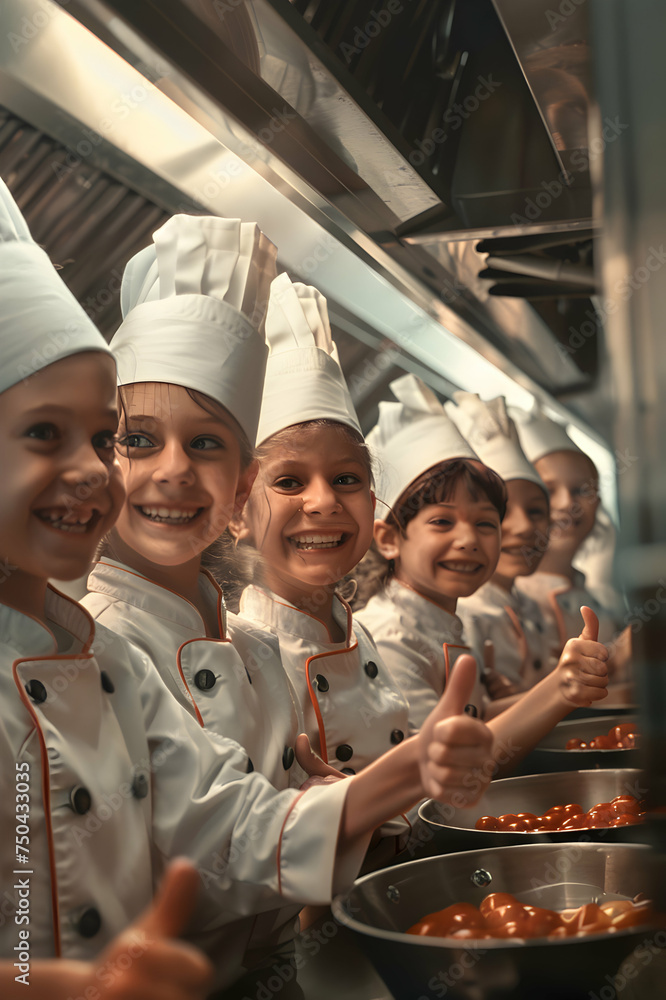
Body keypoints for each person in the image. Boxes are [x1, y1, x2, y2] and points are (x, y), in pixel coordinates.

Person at [0, 183, 494, 994]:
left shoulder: (106, 658)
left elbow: (224, 822)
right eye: (128, 439)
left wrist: (404, 777)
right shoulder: (113, 631)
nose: (95, 468)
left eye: (96, 437)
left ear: (237, 493)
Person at [355, 374, 609, 758]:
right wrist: (560, 688)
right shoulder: (390, 637)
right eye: (442, 521)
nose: (469, 539)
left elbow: (474, 722)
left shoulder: (442, 619)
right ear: (389, 539)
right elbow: (447, 766)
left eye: (486, 523)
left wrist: (562, 687)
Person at [230, 273, 411, 777]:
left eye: (346, 478)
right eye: (288, 481)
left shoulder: (354, 631)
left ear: (373, 503)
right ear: (235, 513)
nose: (323, 501)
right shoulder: (244, 655)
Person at [447, 392, 557, 695]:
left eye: (536, 510)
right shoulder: (464, 614)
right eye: (502, 512)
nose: (523, 527)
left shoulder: (532, 608)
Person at [511, 402, 630, 676]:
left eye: (580, 490)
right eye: (549, 491)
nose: (567, 503)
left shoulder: (601, 603)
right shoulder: (507, 604)